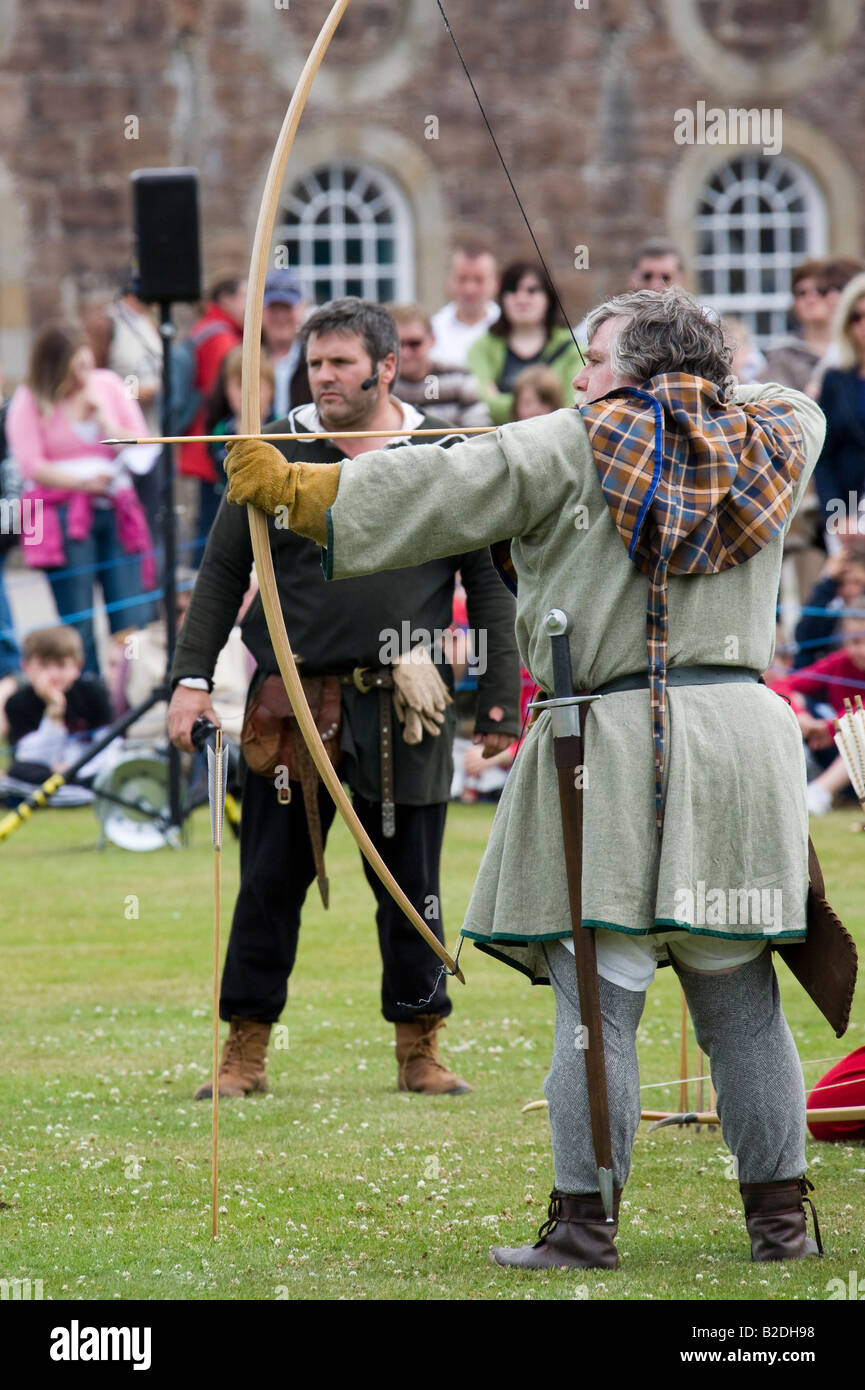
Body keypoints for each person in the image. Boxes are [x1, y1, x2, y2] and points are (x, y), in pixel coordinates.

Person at [225, 286, 829, 1270]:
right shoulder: (774, 433)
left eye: (591, 359)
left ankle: (586, 1227)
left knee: (603, 999)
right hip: (738, 740)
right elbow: (769, 395)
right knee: (740, 996)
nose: (579, 375)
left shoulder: (570, 441)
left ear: (629, 371)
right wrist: (680, 378)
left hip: (615, 742)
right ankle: (780, 1225)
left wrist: (306, 491)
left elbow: (454, 483)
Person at [167, 297, 520, 1100]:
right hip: (289, 703)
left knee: (412, 889)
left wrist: (498, 700)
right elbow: (223, 575)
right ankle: (244, 1053)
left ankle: (419, 1048)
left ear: (385, 368)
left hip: (406, 707)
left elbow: (485, 584)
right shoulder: (274, 451)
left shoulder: (439, 453)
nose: (321, 375)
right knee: (266, 884)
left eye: (339, 363)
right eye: (313, 363)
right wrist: (190, 682)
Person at [6, 323, 154, 676]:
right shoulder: (30, 399)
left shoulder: (108, 386)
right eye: (74, 371)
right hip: (62, 518)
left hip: (115, 511)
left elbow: (142, 444)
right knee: (78, 623)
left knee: (129, 619)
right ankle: (89, 710)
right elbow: (31, 464)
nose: (83, 377)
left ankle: (128, 700)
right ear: (54, 371)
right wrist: (81, 483)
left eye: (87, 365)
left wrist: (105, 420)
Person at [2, 625, 111, 805]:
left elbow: (107, 745)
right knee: (18, 772)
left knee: (112, 763)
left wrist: (73, 768)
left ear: (78, 666)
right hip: (42, 772)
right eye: (44, 665)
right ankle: (82, 794)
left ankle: (53, 795)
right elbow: (32, 758)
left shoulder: (93, 692)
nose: (53, 674)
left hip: (83, 769)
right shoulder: (16, 703)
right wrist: (54, 712)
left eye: (61, 665)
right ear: (26, 667)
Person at [176, 276, 247, 550]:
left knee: (206, 521)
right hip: (213, 445)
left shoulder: (204, 329)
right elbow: (223, 397)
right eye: (243, 296)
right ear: (226, 299)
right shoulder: (221, 339)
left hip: (200, 441)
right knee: (212, 524)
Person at [467, 261, 584, 425]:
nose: (521, 299)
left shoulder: (573, 348)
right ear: (502, 299)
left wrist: (501, 400)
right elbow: (478, 404)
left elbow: (574, 406)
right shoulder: (482, 347)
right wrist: (545, 404)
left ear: (548, 297)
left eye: (532, 290)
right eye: (513, 290)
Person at [770, 613, 865, 815]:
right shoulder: (839, 662)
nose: (862, 650)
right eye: (855, 641)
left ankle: (820, 792)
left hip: (847, 742)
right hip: (839, 751)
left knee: (860, 727)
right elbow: (784, 684)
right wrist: (802, 715)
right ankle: (780, 789)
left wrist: (829, 728)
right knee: (794, 698)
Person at [815, 271, 865, 540]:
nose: (863, 325)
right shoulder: (836, 380)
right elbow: (824, 456)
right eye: (857, 317)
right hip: (846, 513)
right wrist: (837, 518)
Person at [391, 304, 491, 428]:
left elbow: (478, 432)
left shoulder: (459, 378)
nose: (404, 352)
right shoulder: (379, 386)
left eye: (414, 343)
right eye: (396, 343)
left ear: (432, 340)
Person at [430, 239, 500, 366]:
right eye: (462, 279)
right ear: (450, 281)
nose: (469, 289)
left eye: (479, 280)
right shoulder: (434, 328)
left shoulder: (507, 327)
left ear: (495, 283)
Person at [260, 269, 310, 416]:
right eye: (273, 309)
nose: (281, 318)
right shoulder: (243, 359)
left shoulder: (316, 359)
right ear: (260, 312)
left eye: (287, 309)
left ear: (302, 309)